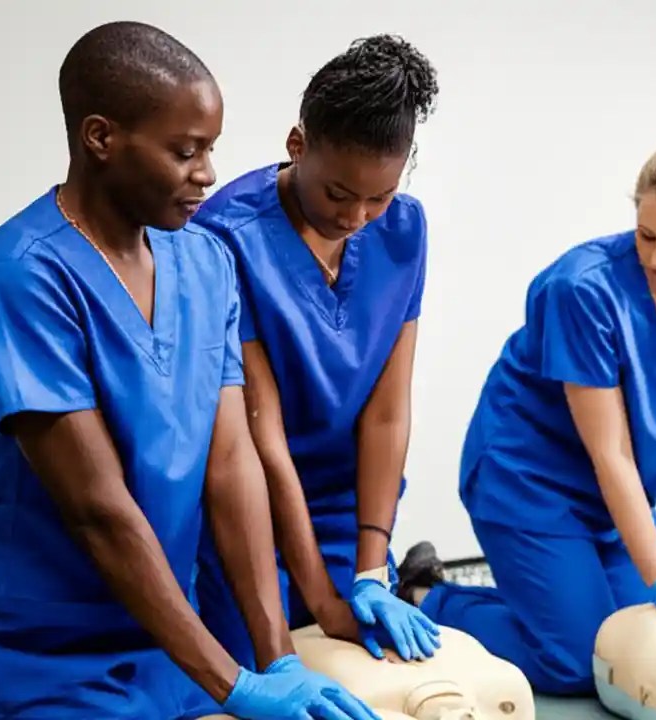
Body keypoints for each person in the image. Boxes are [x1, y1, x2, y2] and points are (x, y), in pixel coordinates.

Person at [0, 21, 378, 720]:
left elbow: (232, 463)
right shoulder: (22, 278)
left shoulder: (206, 262)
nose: (208, 173)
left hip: (168, 647)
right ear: (100, 138)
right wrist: (236, 688)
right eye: (185, 151)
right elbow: (98, 510)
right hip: (35, 655)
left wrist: (276, 657)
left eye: (211, 149)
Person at [394, 121, 656, 695]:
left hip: (613, 495)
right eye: (646, 235)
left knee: (644, 642)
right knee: (580, 661)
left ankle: (543, 596)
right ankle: (425, 595)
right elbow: (609, 450)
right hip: (527, 476)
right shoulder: (584, 288)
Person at [192, 34, 442, 671]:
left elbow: (388, 412)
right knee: (253, 664)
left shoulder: (405, 230)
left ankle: (412, 581)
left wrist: (369, 572)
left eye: (379, 197)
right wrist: (324, 603)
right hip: (242, 501)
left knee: (377, 651)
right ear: (297, 144)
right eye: (337, 193)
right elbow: (261, 436)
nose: (357, 216)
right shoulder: (225, 237)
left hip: (341, 504)